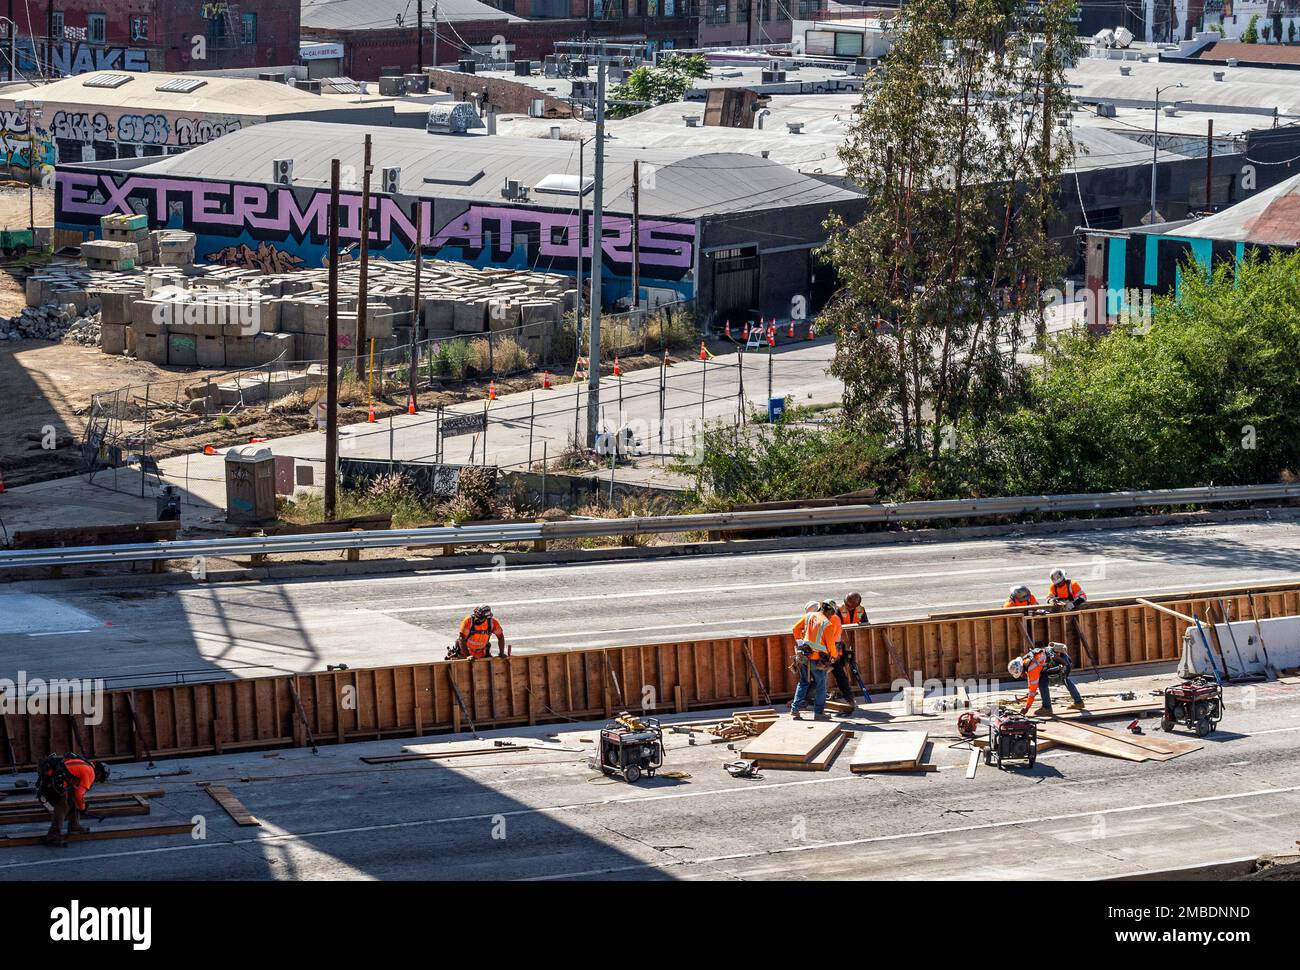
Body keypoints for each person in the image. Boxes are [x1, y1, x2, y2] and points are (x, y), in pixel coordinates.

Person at [37, 754, 109, 847]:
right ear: (99, 773)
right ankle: (53, 836)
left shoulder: (85, 764)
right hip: (54, 781)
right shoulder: (90, 772)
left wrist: (81, 804)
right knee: (62, 806)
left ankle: (74, 825)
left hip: (53, 778)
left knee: (72, 797)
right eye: (99, 779)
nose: (96, 781)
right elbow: (79, 795)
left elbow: (75, 792)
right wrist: (83, 808)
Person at [790, 602, 842, 721]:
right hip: (818, 660)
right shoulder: (827, 624)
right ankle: (819, 713)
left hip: (804, 656)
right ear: (830, 612)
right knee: (821, 686)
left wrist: (800, 643)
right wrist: (834, 656)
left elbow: (795, 628)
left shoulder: (809, 616)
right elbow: (830, 645)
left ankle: (795, 710)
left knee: (803, 682)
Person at [830, 594, 869, 709]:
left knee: (839, 676)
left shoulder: (861, 610)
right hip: (835, 649)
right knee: (822, 678)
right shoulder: (838, 612)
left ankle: (849, 700)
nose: (848, 605)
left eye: (851, 603)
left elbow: (865, 624)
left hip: (843, 647)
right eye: (847, 602)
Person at [1008, 645, 1056, 715]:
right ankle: (1078, 701)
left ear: (1021, 670)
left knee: (1042, 684)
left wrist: (1027, 708)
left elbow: (1032, 692)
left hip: (1054, 662)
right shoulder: (1025, 660)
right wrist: (1030, 691)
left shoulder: (1032, 669)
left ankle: (1047, 708)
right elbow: (1031, 683)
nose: (1021, 676)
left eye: (1020, 674)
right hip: (1049, 655)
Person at [1045, 641, 1084, 707]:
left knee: (1067, 682)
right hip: (1063, 666)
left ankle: (1078, 702)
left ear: (1059, 653)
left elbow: (1065, 666)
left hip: (1065, 668)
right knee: (1067, 681)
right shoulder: (1053, 652)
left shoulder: (1062, 658)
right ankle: (1078, 701)